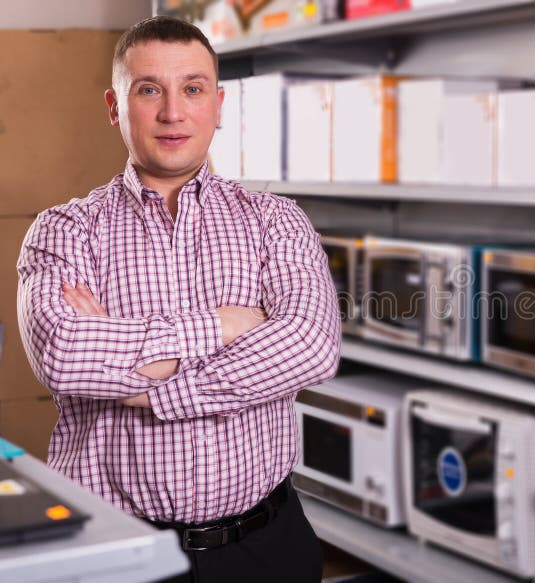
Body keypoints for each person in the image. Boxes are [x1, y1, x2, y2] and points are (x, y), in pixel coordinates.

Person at [17, 16, 340, 582]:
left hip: (265, 546)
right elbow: (66, 354)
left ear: (216, 105)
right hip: (117, 552)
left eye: (191, 89)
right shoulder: (63, 231)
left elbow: (311, 346)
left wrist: (150, 390)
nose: (173, 112)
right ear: (115, 107)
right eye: (149, 90)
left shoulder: (275, 221)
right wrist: (223, 325)